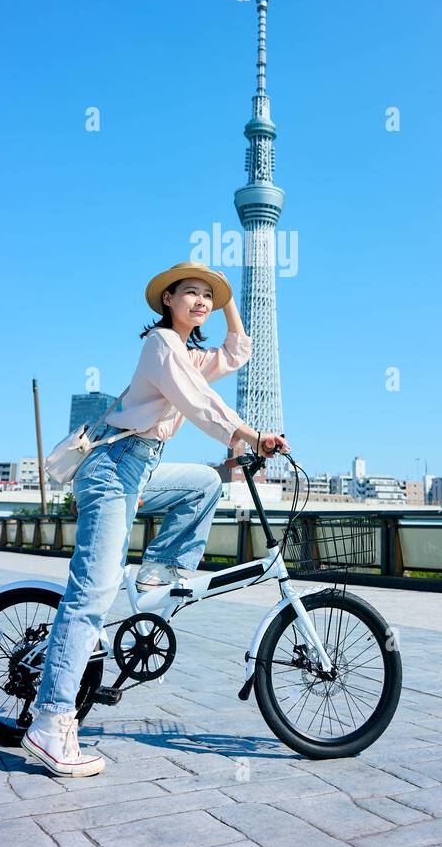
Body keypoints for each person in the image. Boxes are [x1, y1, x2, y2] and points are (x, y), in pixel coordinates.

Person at [21, 261, 290, 777]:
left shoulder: (187, 355)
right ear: (167, 301)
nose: (201, 302)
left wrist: (227, 293)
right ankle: (50, 721)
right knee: (92, 594)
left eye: (206, 297)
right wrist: (252, 437)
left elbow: (237, 353)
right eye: (191, 293)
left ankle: (158, 572)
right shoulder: (161, 346)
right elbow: (200, 403)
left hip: (141, 469)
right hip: (111, 469)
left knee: (207, 482)